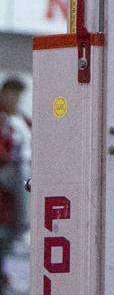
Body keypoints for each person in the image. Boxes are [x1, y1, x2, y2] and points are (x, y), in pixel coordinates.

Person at [0, 77, 29, 293]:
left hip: (21, 202)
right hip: (4, 199)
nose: (14, 98)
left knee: (13, 251)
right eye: (11, 93)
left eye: (18, 94)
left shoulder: (25, 121)